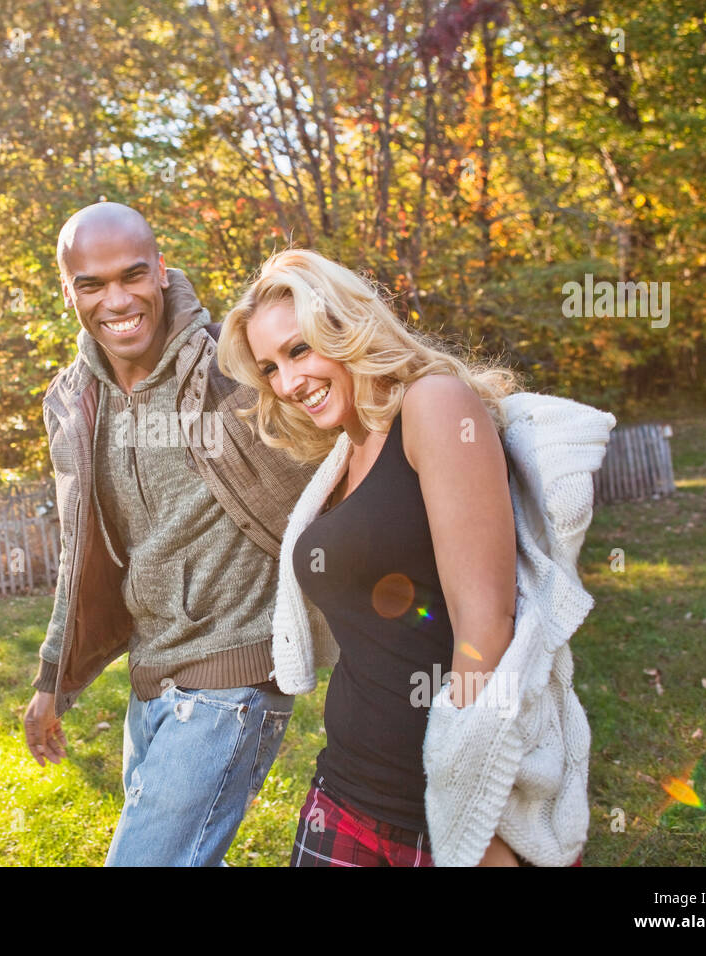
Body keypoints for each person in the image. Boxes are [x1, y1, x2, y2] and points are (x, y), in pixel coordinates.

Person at [217, 248, 597, 867]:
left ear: (346, 328)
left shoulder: (434, 404)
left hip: (442, 807)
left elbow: (486, 625)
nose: (286, 384)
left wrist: (477, 809)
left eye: (298, 350)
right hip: (343, 790)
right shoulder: (347, 450)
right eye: (269, 368)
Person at [23, 202, 317, 866]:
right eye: (92, 285)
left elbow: (346, 422)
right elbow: (80, 548)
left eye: (132, 275)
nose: (117, 299)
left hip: (233, 675)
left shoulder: (235, 366)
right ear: (67, 292)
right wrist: (53, 680)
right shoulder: (72, 401)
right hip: (149, 675)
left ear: (160, 270)